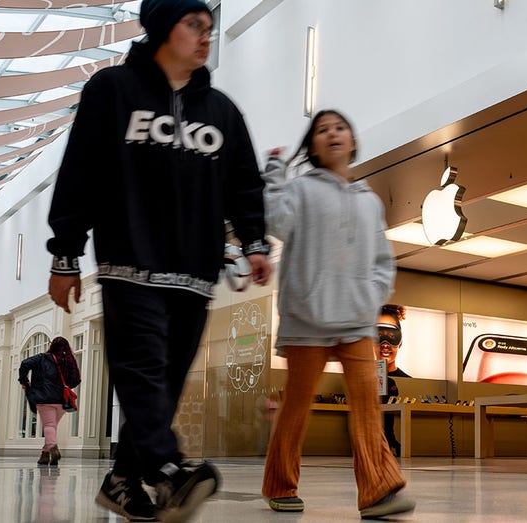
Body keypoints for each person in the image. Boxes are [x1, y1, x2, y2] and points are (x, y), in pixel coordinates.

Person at [45, 0, 272, 520]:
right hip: (130, 265)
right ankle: (167, 470)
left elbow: (245, 183)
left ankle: (123, 479)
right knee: (143, 371)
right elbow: (80, 170)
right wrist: (65, 253)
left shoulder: (221, 111)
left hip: (195, 273)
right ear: (161, 28)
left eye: (209, 28)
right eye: (193, 24)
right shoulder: (112, 91)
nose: (205, 35)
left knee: (165, 384)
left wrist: (255, 243)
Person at [260, 110, 416, 518]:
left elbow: (384, 260)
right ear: (312, 146)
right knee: (296, 408)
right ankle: (280, 484)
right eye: (322, 130)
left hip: (356, 320)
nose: (332, 134)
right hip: (306, 319)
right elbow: (275, 223)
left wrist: (372, 295)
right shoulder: (299, 189)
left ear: (352, 140)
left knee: (367, 405)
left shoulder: (369, 200)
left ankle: (378, 491)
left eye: (340, 128)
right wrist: (274, 174)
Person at [18, 336, 82, 467]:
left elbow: (25, 364)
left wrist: (24, 381)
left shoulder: (42, 358)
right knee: (52, 427)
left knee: (49, 426)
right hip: (62, 400)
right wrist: (64, 384)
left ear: (52, 346)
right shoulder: (70, 360)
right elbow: (75, 380)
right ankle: (45, 455)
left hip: (44, 397)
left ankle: (54, 449)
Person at [378, 304, 408, 456]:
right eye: (378, 335)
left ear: (400, 342)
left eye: (391, 337)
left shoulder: (402, 380)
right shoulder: (359, 378)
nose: (385, 344)